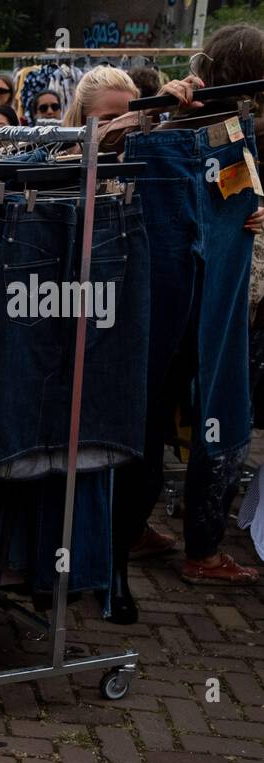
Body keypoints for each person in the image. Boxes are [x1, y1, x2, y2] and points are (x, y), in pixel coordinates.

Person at [107, 26, 264, 603]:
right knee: (209, 403)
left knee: (156, 401)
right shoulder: (188, 120)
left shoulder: (188, 123)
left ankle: (138, 535)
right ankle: (194, 545)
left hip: (194, 267)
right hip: (229, 285)